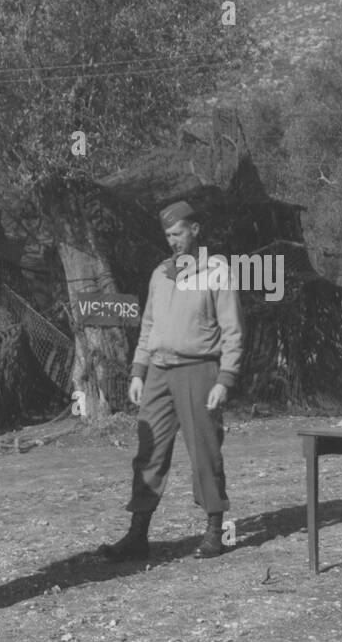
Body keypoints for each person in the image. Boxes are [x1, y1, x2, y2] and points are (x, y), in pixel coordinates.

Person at [100, 200, 244, 562]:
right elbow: (148, 325)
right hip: (158, 373)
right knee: (148, 452)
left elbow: (232, 330)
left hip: (199, 370)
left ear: (195, 230)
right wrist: (138, 371)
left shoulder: (216, 271)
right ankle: (137, 534)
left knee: (205, 450)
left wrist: (225, 378)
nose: (172, 240)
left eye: (178, 233)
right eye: (167, 235)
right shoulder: (160, 274)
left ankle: (214, 530)